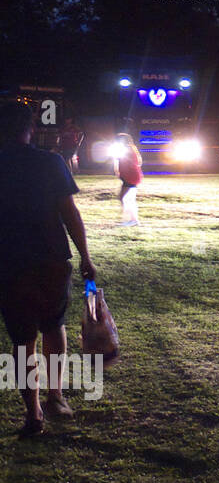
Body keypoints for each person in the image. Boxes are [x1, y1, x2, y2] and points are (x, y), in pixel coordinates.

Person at [0, 100, 96, 439]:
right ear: (30, 129)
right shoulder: (51, 162)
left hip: (9, 263)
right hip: (51, 258)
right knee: (53, 327)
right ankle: (55, 396)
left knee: (23, 341)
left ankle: (33, 413)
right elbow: (70, 213)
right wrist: (85, 255)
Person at [114, 132, 143, 226]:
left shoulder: (125, 149)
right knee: (128, 198)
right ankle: (132, 219)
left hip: (129, 176)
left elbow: (119, 161)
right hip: (132, 175)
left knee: (125, 198)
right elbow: (139, 162)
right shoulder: (132, 148)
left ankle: (131, 220)